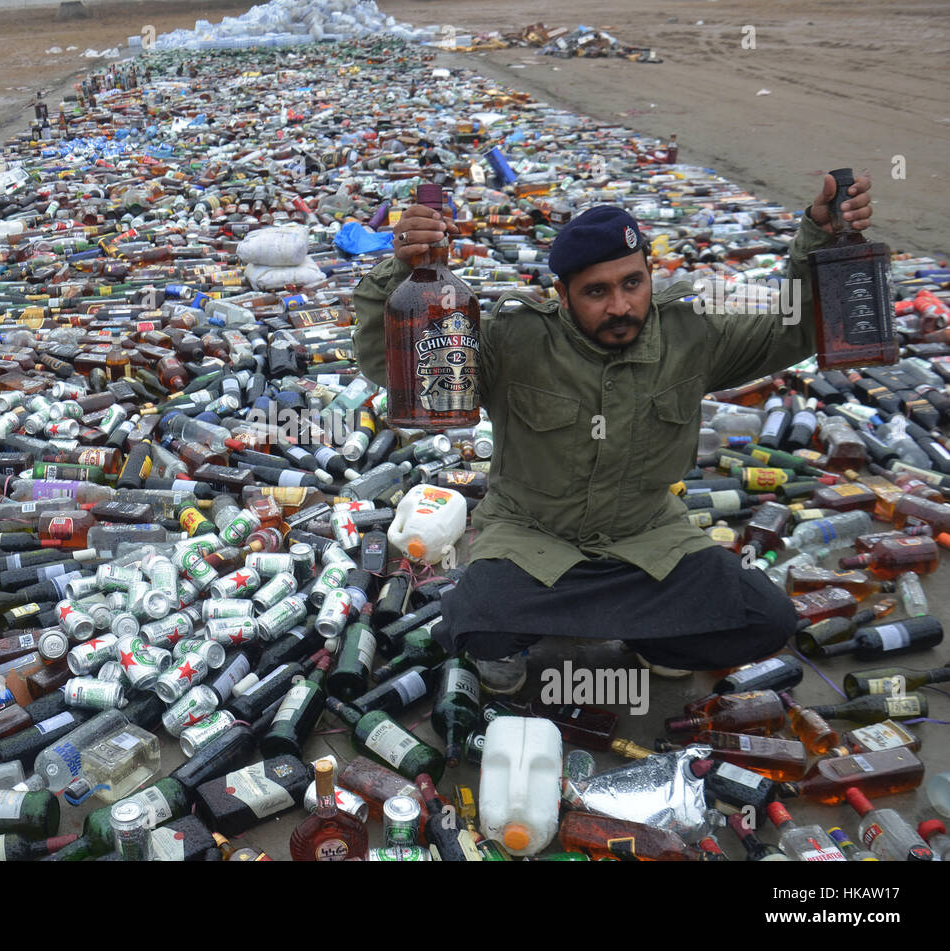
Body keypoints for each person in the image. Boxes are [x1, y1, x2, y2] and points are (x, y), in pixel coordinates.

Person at [353, 172, 874, 693]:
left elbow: (799, 328)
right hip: (533, 535)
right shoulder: (515, 338)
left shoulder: (691, 335)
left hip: (648, 536)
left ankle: (653, 637)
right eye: (596, 292)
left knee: (767, 619)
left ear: (651, 273)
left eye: (632, 283)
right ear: (562, 294)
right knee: (476, 619)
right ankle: (595, 625)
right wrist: (405, 268)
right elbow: (389, 366)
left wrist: (819, 239)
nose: (621, 306)